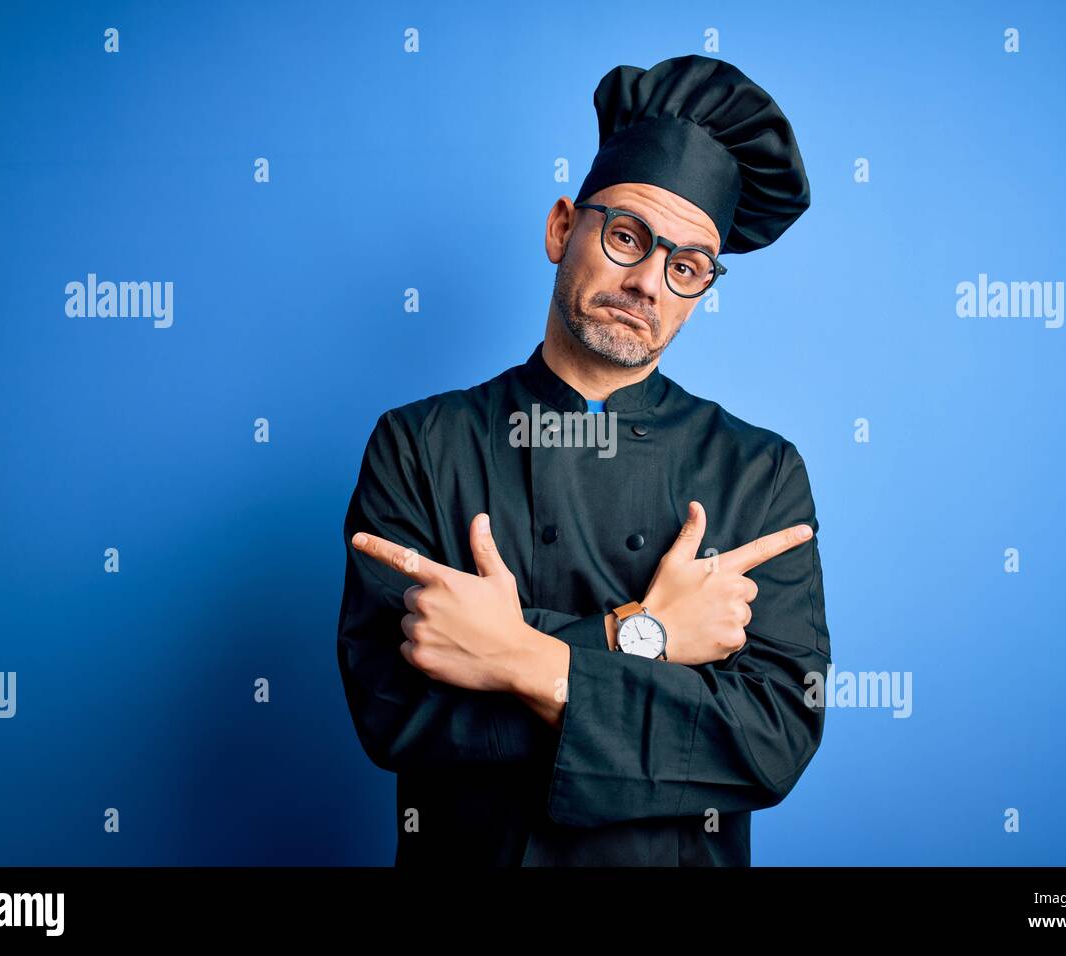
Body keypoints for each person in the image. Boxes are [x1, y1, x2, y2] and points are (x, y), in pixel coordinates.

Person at [336, 54, 830, 866]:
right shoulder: (421, 444)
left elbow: (770, 741)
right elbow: (392, 709)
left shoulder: (761, 472)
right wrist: (647, 637)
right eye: (628, 236)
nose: (647, 283)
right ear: (563, 227)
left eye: (686, 267)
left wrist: (507, 654)